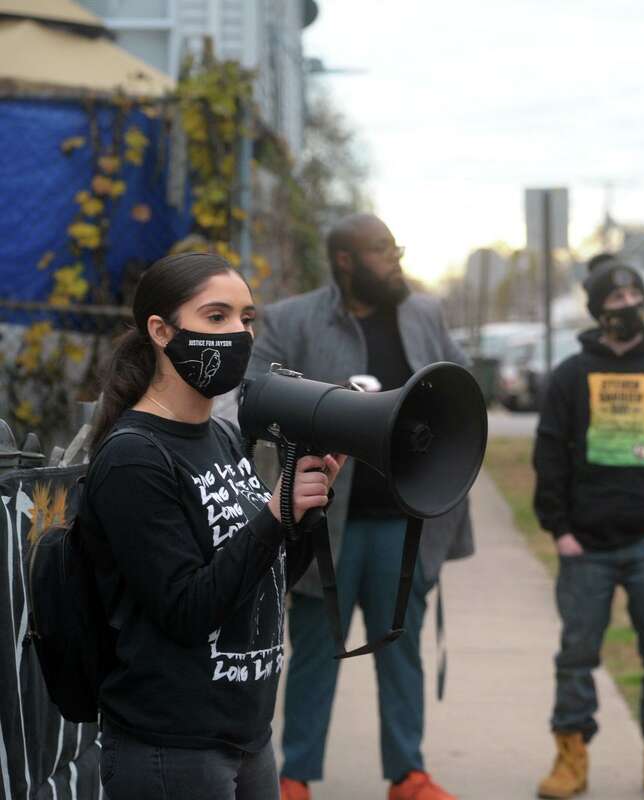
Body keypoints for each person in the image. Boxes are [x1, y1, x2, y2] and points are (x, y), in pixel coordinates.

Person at [86, 252, 344, 798]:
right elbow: (186, 610)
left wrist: (298, 516)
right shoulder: (135, 457)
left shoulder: (224, 439)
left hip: (248, 736)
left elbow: (265, 581)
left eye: (247, 319)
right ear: (161, 331)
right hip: (173, 748)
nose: (239, 334)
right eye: (216, 317)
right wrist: (274, 513)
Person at [250, 214, 472, 800]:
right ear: (345, 261)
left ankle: (408, 774)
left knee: (401, 653)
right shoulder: (292, 319)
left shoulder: (424, 313)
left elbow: (458, 391)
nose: (394, 257)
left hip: (405, 523)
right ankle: (294, 776)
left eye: (395, 246)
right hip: (326, 524)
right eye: (381, 249)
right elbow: (255, 397)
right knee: (315, 652)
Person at [532, 261, 644, 800]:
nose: (627, 303)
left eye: (635, 293)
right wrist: (559, 529)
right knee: (576, 657)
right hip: (585, 549)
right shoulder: (571, 375)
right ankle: (570, 756)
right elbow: (549, 455)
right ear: (597, 309)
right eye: (617, 295)